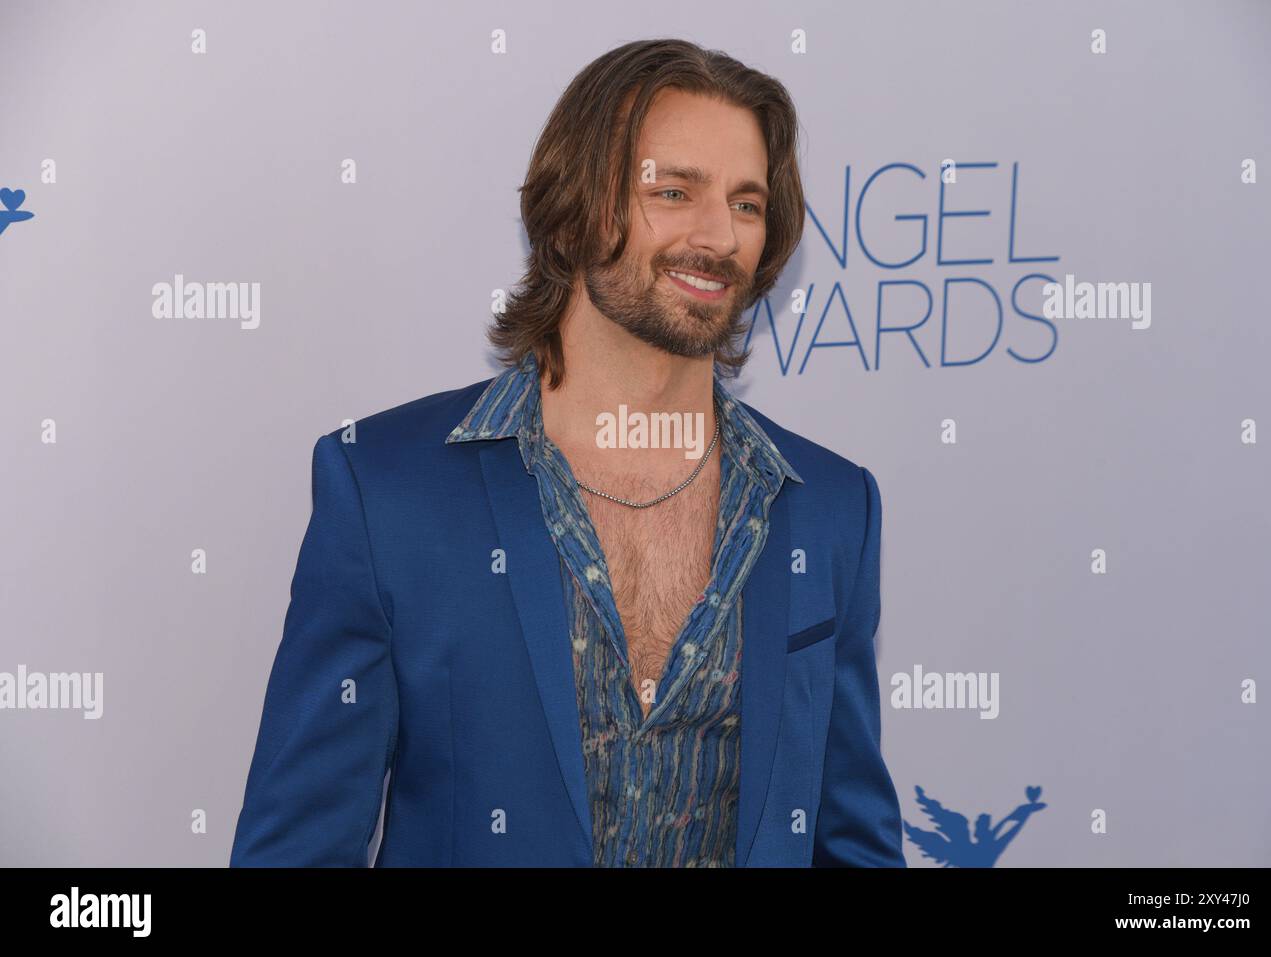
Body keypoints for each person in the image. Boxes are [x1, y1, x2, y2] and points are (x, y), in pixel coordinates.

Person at [230, 37, 904, 868]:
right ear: (579, 206)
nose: (718, 235)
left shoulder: (833, 507)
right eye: (672, 190)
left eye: (747, 204)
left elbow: (853, 845)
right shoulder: (386, 491)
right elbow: (296, 848)